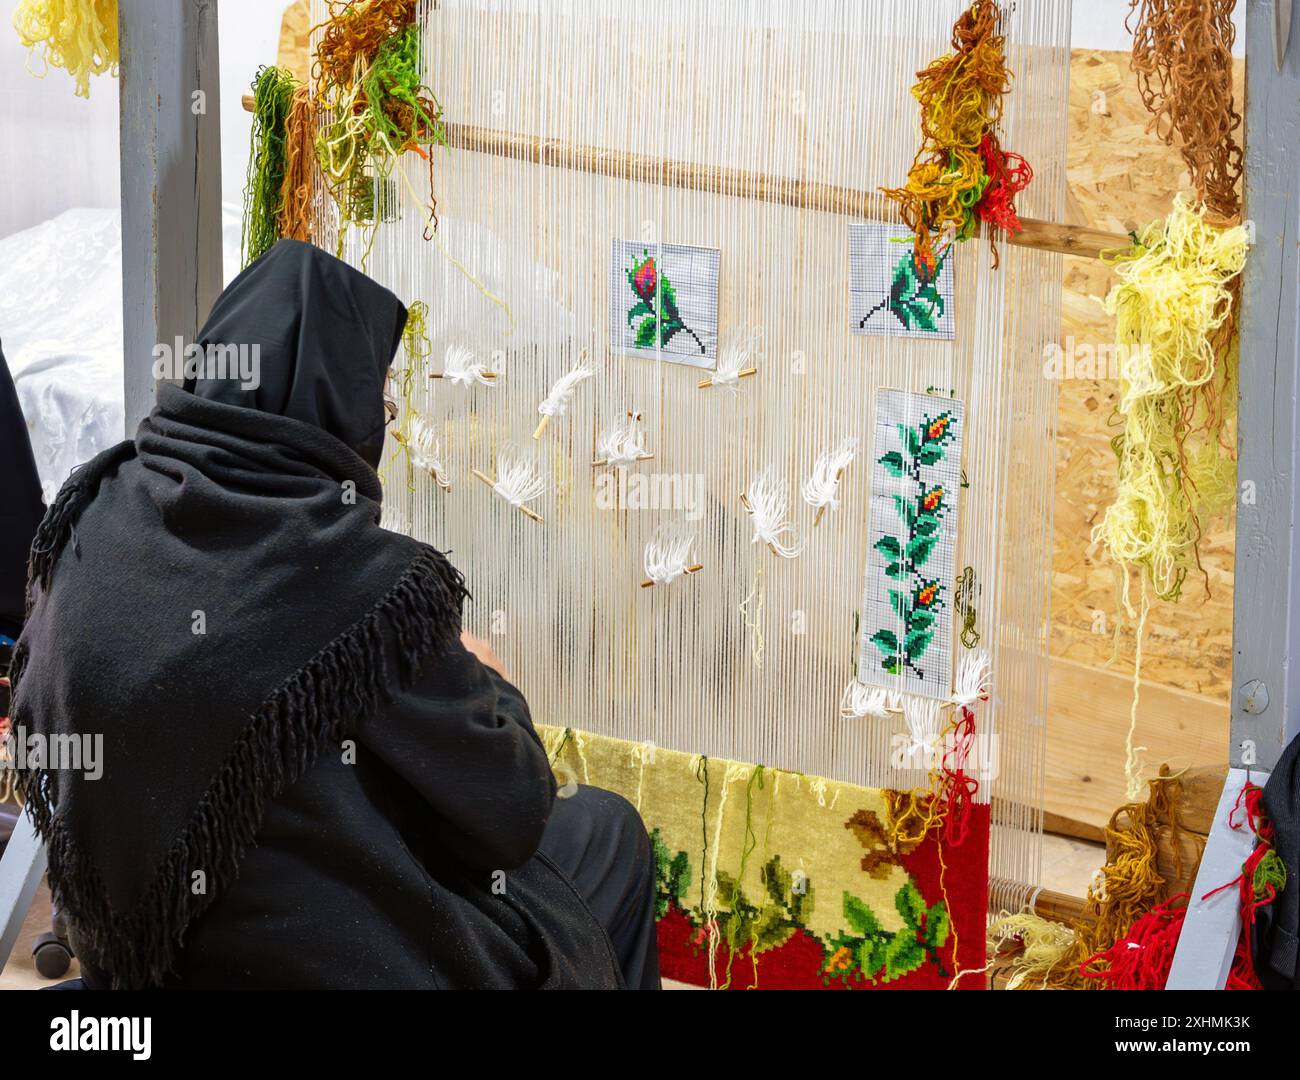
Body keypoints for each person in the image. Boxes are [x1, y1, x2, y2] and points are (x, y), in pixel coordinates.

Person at [8, 240, 660, 990]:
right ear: (333, 400)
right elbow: (510, 814)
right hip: (335, 963)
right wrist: (488, 681)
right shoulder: (359, 582)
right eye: (375, 398)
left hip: (139, 954)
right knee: (607, 834)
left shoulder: (92, 509)